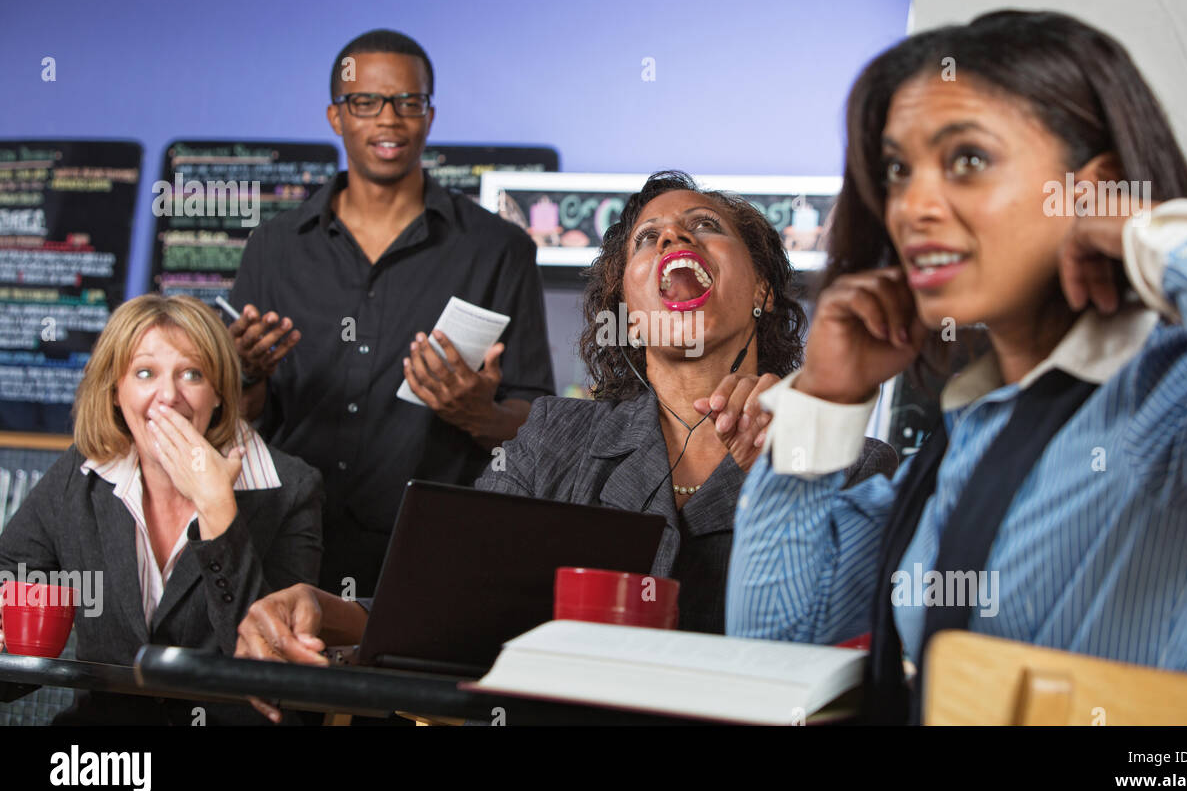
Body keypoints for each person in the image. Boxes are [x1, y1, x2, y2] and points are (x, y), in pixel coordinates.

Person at [727, 9, 1187, 723]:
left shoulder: (1178, 393)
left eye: (966, 159)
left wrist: (1157, 232)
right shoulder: (964, 434)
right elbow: (774, 643)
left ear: (1096, 190)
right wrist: (827, 400)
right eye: (900, 170)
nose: (912, 207)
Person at [232, 172, 898, 722]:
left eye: (705, 226)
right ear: (629, 310)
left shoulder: (854, 463)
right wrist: (323, 609)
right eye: (648, 238)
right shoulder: (552, 440)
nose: (673, 236)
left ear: (760, 290)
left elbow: (861, 670)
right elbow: (446, 611)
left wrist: (798, 471)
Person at [227, 29, 554, 598]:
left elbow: (537, 424)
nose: (390, 119)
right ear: (336, 115)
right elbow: (244, 415)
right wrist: (245, 375)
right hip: (283, 546)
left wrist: (477, 412)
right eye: (366, 102)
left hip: (432, 558)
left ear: (429, 116)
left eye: (409, 102)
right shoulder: (273, 248)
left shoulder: (498, 249)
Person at [0, 294, 322, 725]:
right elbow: (13, 584)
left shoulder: (291, 488)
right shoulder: (80, 475)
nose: (167, 397)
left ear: (221, 394)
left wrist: (217, 510)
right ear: (116, 392)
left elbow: (274, 673)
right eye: (145, 372)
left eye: (191, 374)